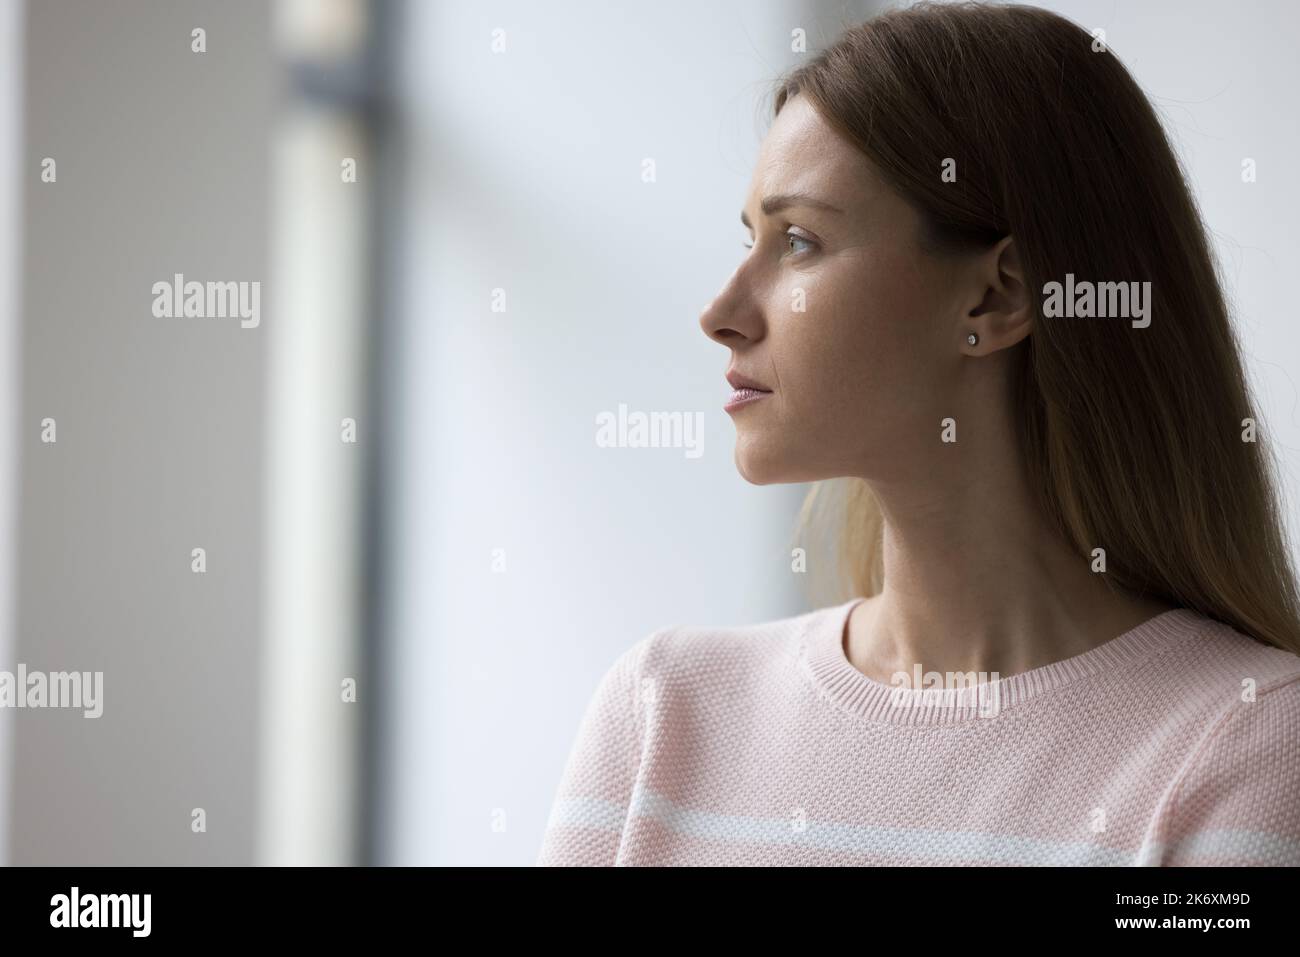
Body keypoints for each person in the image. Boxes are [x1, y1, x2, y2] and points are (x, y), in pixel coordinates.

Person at [537, 1, 1300, 866]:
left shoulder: (1246, 747)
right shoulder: (663, 717)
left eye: (798, 242)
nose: (720, 313)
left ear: (998, 295)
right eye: (749, 238)